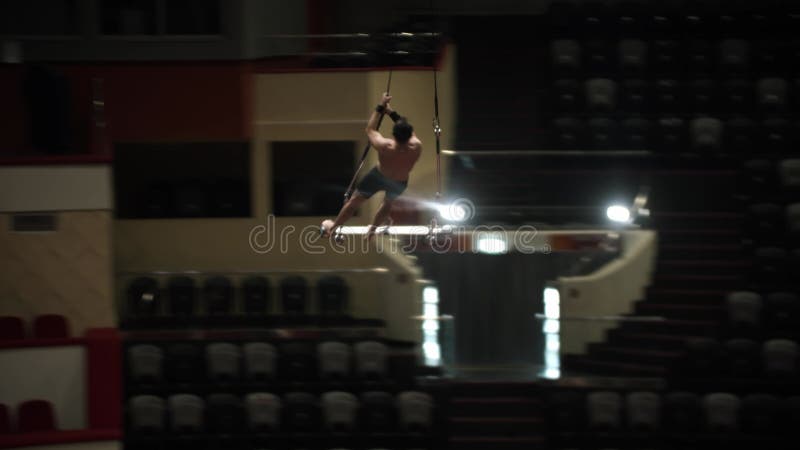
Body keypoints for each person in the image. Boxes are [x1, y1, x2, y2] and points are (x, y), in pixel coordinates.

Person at [321, 92, 423, 240]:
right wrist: (391, 112)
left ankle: (334, 227)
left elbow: (370, 129)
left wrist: (381, 106)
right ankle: (371, 231)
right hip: (400, 181)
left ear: (393, 135)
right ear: (409, 136)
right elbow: (406, 129)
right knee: (387, 203)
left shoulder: (385, 146)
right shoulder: (416, 146)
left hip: (379, 176)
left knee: (355, 200)